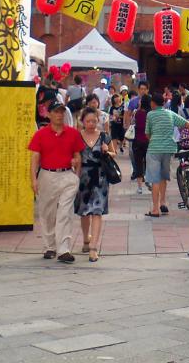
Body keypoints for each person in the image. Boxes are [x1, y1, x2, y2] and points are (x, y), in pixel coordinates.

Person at [28, 100, 85, 262]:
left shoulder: (73, 133)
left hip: (67, 176)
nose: (59, 115)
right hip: (47, 175)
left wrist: (76, 175)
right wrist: (33, 179)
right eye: (56, 111)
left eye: (61, 111)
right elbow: (35, 158)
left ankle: (64, 249)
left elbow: (77, 155)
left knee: (65, 213)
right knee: (47, 213)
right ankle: (49, 247)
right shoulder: (40, 134)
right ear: (49, 114)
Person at [144, 93, 189, 217]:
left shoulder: (150, 115)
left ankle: (155, 209)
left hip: (154, 149)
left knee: (154, 179)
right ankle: (163, 203)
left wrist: (153, 139)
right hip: (169, 149)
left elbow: (147, 133)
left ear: (153, 103)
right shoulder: (170, 113)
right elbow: (187, 124)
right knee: (163, 176)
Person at [75, 107, 112, 263]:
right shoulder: (77, 137)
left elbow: (113, 153)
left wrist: (107, 152)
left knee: (97, 211)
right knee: (84, 212)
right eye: (88, 121)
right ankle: (85, 239)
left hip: (100, 177)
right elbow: (74, 156)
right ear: (82, 121)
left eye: (94, 121)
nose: (91, 124)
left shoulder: (104, 137)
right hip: (83, 177)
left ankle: (93, 248)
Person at [130, 94, 150, 194]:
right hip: (148, 141)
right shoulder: (151, 113)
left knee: (138, 163)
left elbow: (132, 123)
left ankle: (139, 187)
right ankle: (148, 179)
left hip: (137, 141)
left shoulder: (137, 112)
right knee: (148, 162)